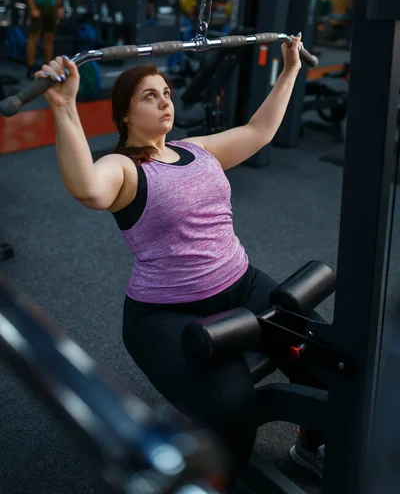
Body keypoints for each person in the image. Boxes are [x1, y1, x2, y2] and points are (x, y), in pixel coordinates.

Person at [35, 35, 326, 485]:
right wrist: (64, 106)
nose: (165, 101)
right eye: (149, 96)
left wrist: (289, 69)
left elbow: (258, 131)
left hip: (241, 284)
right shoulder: (124, 168)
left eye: (166, 93)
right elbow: (87, 187)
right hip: (168, 314)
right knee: (233, 406)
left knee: (324, 354)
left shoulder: (197, 149)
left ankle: (311, 445)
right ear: (126, 114)